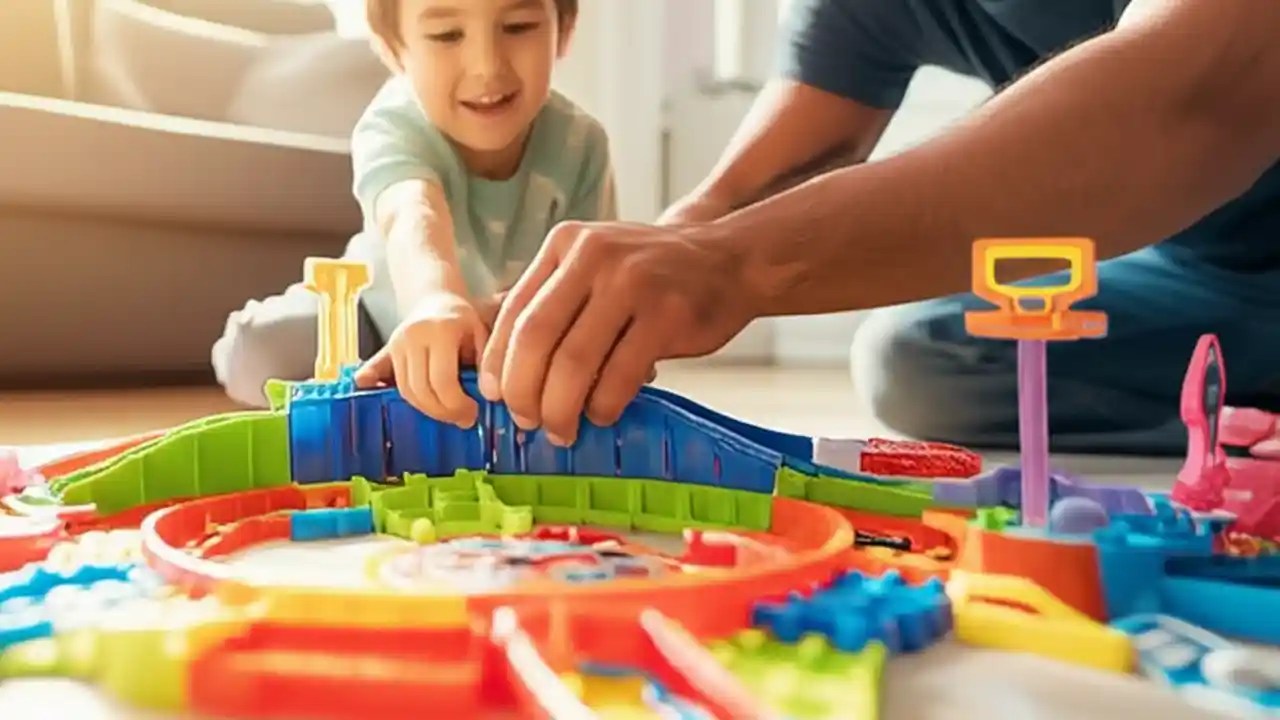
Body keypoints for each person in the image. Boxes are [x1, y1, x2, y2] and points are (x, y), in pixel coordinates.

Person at [474, 0, 1280, 452]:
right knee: (925, 361)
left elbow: (1191, 98)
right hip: (1206, 279)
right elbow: (734, 205)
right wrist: (569, 304)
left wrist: (732, 264)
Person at [212, 0, 616, 427]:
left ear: (563, 30)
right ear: (395, 49)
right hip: (375, 318)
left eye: (518, 27)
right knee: (258, 353)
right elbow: (412, 213)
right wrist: (434, 301)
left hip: (500, 340)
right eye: (447, 35)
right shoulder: (393, 124)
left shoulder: (582, 144)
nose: (487, 67)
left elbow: (585, 277)